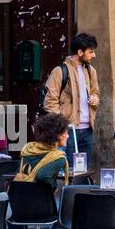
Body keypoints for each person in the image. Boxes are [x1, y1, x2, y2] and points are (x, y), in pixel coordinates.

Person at [5, 112, 70, 229]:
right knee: (63, 212)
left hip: (19, 204)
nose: (68, 135)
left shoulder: (27, 149)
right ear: (57, 135)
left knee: (17, 220)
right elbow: (43, 175)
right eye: (66, 132)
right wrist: (50, 186)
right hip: (43, 210)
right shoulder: (58, 157)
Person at [41, 32, 101, 170]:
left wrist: (95, 99)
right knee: (69, 169)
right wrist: (61, 125)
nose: (94, 55)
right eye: (91, 52)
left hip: (88, 129)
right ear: (80, 52)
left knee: (84, 170)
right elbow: (50, 101)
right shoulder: (60, 70)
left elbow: (96, 92)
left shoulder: (91, 71)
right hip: (68, 129)